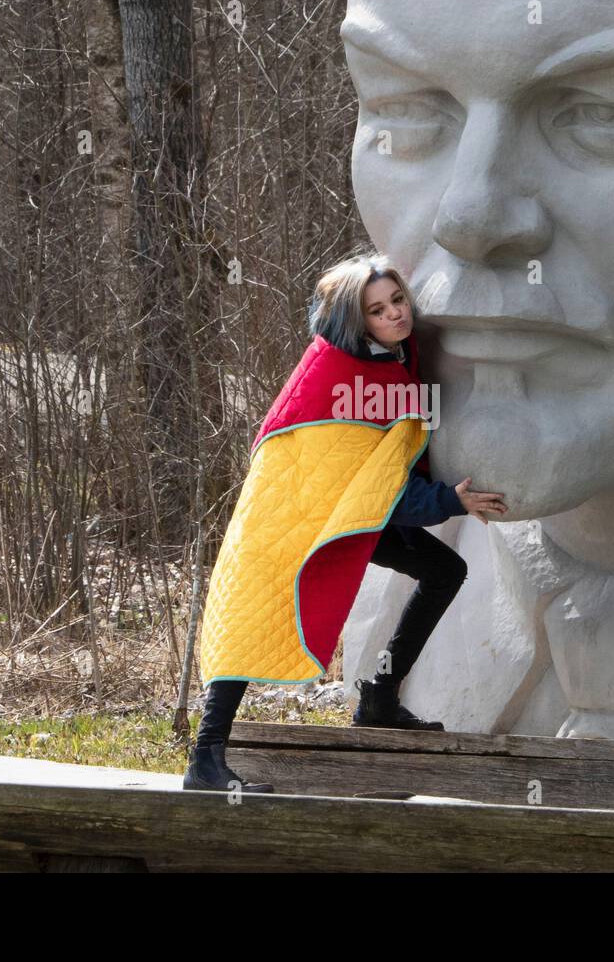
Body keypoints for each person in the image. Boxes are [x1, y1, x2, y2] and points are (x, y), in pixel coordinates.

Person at [185, 253, 507, 793]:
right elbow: (386, 496)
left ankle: (379, 695)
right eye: (378, 311)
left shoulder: (392, 356)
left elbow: (380, 480)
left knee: (443, 570)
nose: (396, 315)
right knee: (253, 615)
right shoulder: (341, 374)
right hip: (294, 513)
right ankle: (205, 759)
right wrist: (451, 501)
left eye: (398, 301)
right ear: (358, 323)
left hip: (350, 508)